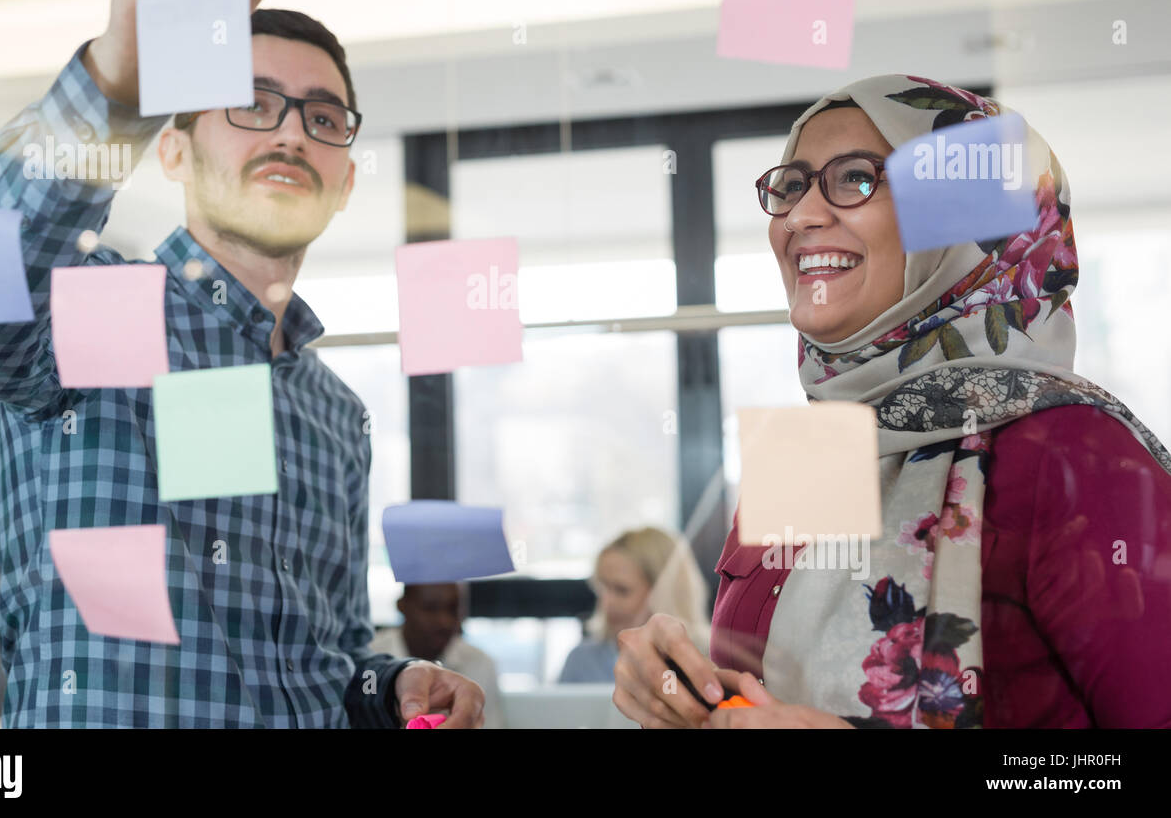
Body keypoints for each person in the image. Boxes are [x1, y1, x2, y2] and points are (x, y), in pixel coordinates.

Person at [0, 0, 483, 728]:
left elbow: (321, 656)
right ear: (170, 150)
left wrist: (387, 685)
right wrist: (123, 76)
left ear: (346, 182)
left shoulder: (336, 413)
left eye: (324, 119)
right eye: (253, 105)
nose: (292, 133)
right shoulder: (97, 309)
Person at [613, 75, 1171, 729]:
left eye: (853, 179)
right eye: (790, 186)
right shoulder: (805, 452)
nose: (799, 217)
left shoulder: (1076, 456)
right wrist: (678, 689)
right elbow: (763, 688)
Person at [560, 527, 709, 683]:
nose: (606, 603)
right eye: (602, 588)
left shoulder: (709, 660)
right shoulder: (580, 661)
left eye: (621, 590)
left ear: (664, 594)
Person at [371, 583, 505, 728]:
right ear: (402, 606)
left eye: (453, 609)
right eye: (430, 608)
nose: (444, 622)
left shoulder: (480, 662)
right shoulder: (370, 657)